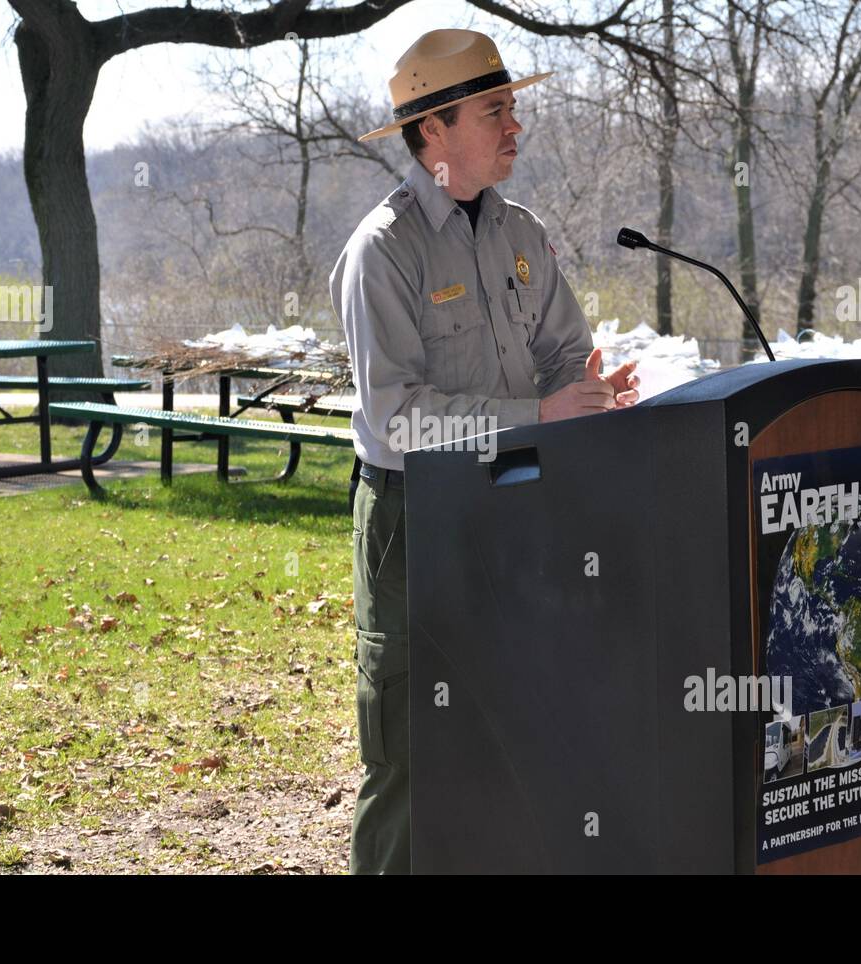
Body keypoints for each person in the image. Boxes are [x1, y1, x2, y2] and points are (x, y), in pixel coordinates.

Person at [329, 28, 640, 875]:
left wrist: (592, 388)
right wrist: (542, 410)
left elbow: (565, 351)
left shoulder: (521, 233)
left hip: (520, 502)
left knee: (513, 733)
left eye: (513, 108)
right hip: (416, 518)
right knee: (411, 758)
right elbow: (398, 417)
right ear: (433, 129)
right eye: (496, 110)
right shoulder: (382, 251)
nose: (516, 126)